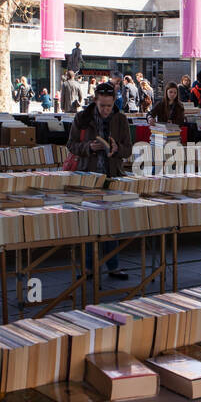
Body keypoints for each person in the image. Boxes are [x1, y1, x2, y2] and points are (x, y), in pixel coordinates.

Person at [67, 82, 134, 280]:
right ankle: (88, 267)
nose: (106, 110)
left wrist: (117, 149)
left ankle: (113, 265)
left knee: (111, 223)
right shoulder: (82, 118)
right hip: (88, 176)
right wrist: (88, 147)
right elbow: (71, 144)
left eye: (109, 106)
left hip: (111, 177)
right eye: (102, 105)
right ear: (95, 100)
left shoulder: (120, 119)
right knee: (89, 223)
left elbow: (128, 149)